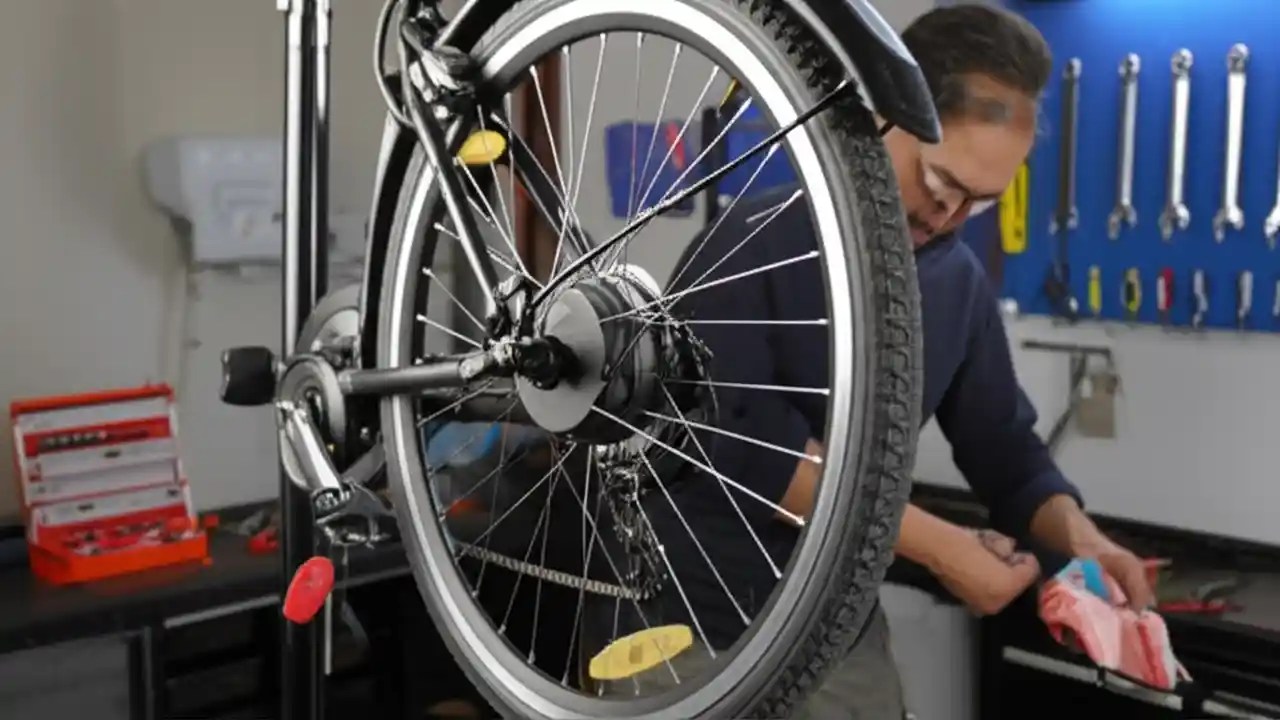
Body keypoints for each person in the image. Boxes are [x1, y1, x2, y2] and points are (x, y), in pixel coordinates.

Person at [581, 4, 1155, 718]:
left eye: (980, 202)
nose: (948, 220)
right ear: (884, 117)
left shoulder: (954, 278)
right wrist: (940, 547)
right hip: (687, 630)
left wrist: (1084, 542)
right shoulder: (747, 244)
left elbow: (1002, 443)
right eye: (941, 184)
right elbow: (750, 448)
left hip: (836, 629)